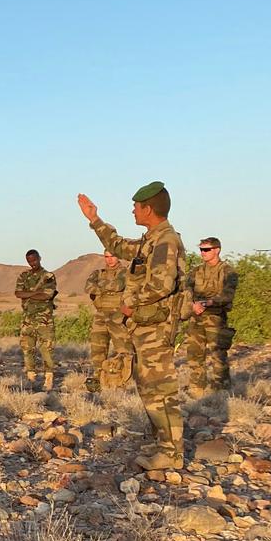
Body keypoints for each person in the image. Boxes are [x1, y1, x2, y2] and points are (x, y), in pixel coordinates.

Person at [78, 182, 187, 471]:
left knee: (159, 389)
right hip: (145, 326)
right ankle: (162, 443)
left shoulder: (166, 241)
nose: (133, 210)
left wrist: (129, 304)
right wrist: (94, 219)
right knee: (148, 387)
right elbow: (117, 246)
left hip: (157, 327)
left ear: (148, 208)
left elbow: (162, 285)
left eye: (136, 206)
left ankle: (172, 454)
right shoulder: (151, 240)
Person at [185, 237, 238, 394]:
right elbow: (186, 290)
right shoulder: (195, 271)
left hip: (215, 316)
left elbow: (227, 295)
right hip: (196, 316)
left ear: (217, 250)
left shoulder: (228, 272)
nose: (203, 253)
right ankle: (196, 388)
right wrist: (193, 304)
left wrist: (207, 303)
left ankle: (221, 389)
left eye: (206, 249)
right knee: (194, 353)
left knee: (218, 354)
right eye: (201, 249)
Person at [84, 252, 129, 392]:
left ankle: (122, 381)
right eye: (107, 257)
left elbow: (119, 286)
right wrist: (107, 287)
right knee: (98, 349)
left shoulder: (126, 272)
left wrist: (101, 288)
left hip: (118, 314)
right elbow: (88, 287)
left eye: (112, 256)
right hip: (100, 314)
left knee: (122, 350)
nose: (110, 260)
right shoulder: (97, 273)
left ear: (118, 257)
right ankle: (99, 379)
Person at [15, 249, 58, 390]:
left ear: (40, 258)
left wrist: (28, 294)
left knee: (47, 349)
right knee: (27, 348)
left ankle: (49, 379)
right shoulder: (24, 275)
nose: (32, 263)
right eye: (29, 261)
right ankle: (31, 378)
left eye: (34, 260)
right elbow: (18, 293)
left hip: (44, 319)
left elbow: (46, 295)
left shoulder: (48, 276)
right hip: (28, 318)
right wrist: (35, 293)